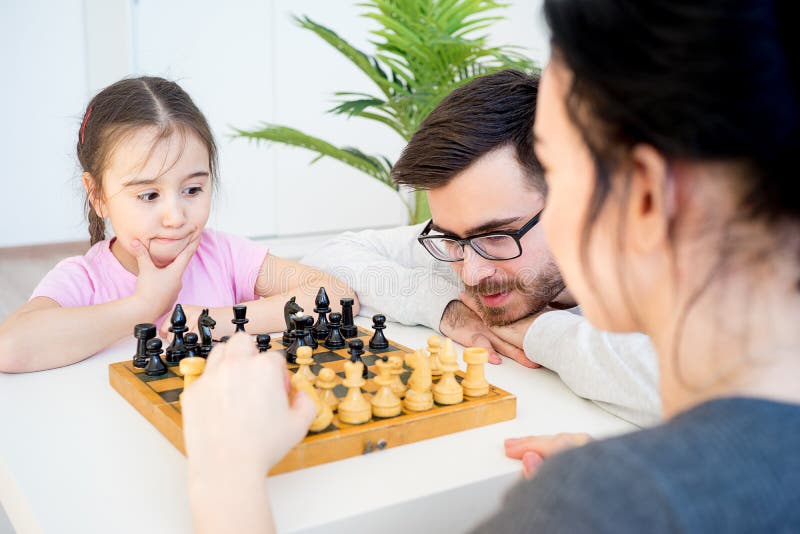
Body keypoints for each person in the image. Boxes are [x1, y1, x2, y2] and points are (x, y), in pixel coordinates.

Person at [182, 0, 800, 531]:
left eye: (560, 167)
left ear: (643, 196)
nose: (474, 271)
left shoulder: (610, 502)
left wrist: (225, 471)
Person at [303, 69, 660, 427]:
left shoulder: (663, 262)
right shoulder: (461, 244)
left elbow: (698, 393)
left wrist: (538, 330)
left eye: (495, 236)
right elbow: (329, 256)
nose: (472, 273)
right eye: (450, 238)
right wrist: (447, 308)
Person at [0, 77, 358, 373]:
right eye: (148, 195)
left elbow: (337, 297)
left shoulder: (226, 256)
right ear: (98, 196)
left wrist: (214, 320)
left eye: (192, 189)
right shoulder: (84, 279)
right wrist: (144, 306)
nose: (175, 217)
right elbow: (11, 348)